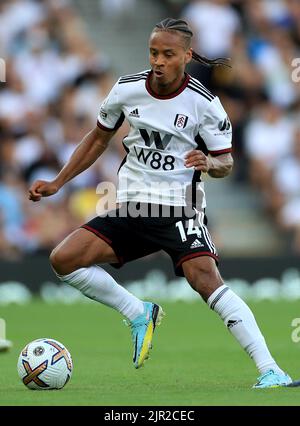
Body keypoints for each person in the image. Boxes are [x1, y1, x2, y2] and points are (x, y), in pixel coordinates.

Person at [29, 18, 292, 388]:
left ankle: (270, 370)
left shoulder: (204, 103)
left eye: (168, 54)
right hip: (133, 206)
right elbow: (97, 138)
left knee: (206, 281)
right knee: (63, 260)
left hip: (177, 209)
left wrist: (210, 162)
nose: (158, 60)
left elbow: (226, 163)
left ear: (186, 55)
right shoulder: (127, 89)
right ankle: (138, 312)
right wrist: (58, 181)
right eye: (154, 52)